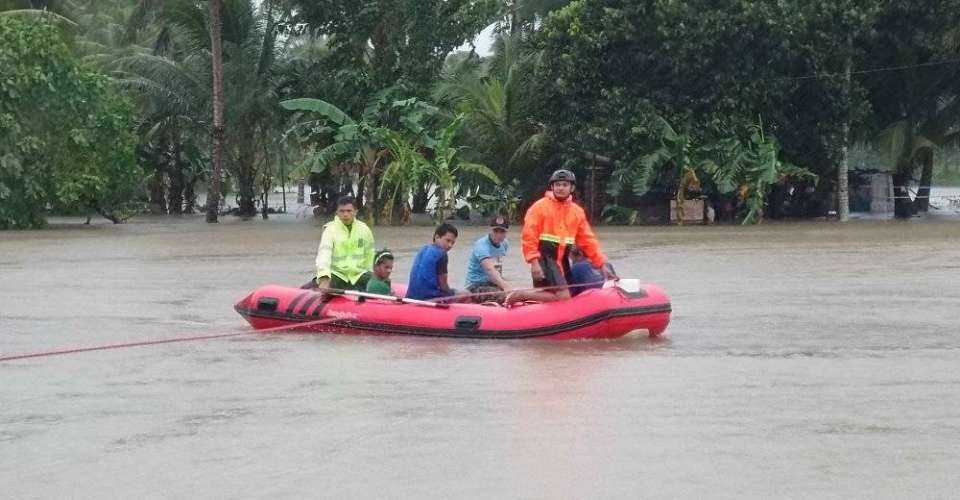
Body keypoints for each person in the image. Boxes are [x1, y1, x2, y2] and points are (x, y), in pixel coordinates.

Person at [507, 169, 617, 304]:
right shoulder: (539, 207)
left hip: (562, 260)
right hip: (545, 258)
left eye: (565, 185)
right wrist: (534, 263)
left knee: (567, 294)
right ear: (552, 187)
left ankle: (533, 302)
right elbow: (529, 236)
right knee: (564, 296)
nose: (560, 188)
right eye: (557, 185)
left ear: (572, 188)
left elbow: (588, 241)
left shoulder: (577, 212)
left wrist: (601, 264)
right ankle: (522, 294)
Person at [307, 195, 375, 291]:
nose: (345, 214)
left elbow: (370, 256)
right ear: (337, 213)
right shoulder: (330, 230)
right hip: (337, 275)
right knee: (318, 287)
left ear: (355, 212)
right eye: (342, 211)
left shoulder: (364, 230)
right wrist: (324, 276)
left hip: (358, 275)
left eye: (349, 211)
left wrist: (374, 276)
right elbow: (324, 255)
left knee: (380, 285)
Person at [463, 215, 512, 302]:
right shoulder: (481, 246)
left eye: (502, 231)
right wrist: (505, 286)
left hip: (492, 283)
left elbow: (498, 269)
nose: (498, 235)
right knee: (503, 296)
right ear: (490, 230)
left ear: (506, 232)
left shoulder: (504, 244)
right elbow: (490, 270)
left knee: (518, 293)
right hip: (476, 285)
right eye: (496, 231)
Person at [405, 223, 458, 300]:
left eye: (452, 243)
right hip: (429, 297)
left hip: (411, 296)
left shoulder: (424, 249)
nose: (450, 245)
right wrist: (452, 294)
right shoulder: (442, 254)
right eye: (448, 241)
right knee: (466, 294)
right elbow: (443, 286)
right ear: (437, 237)